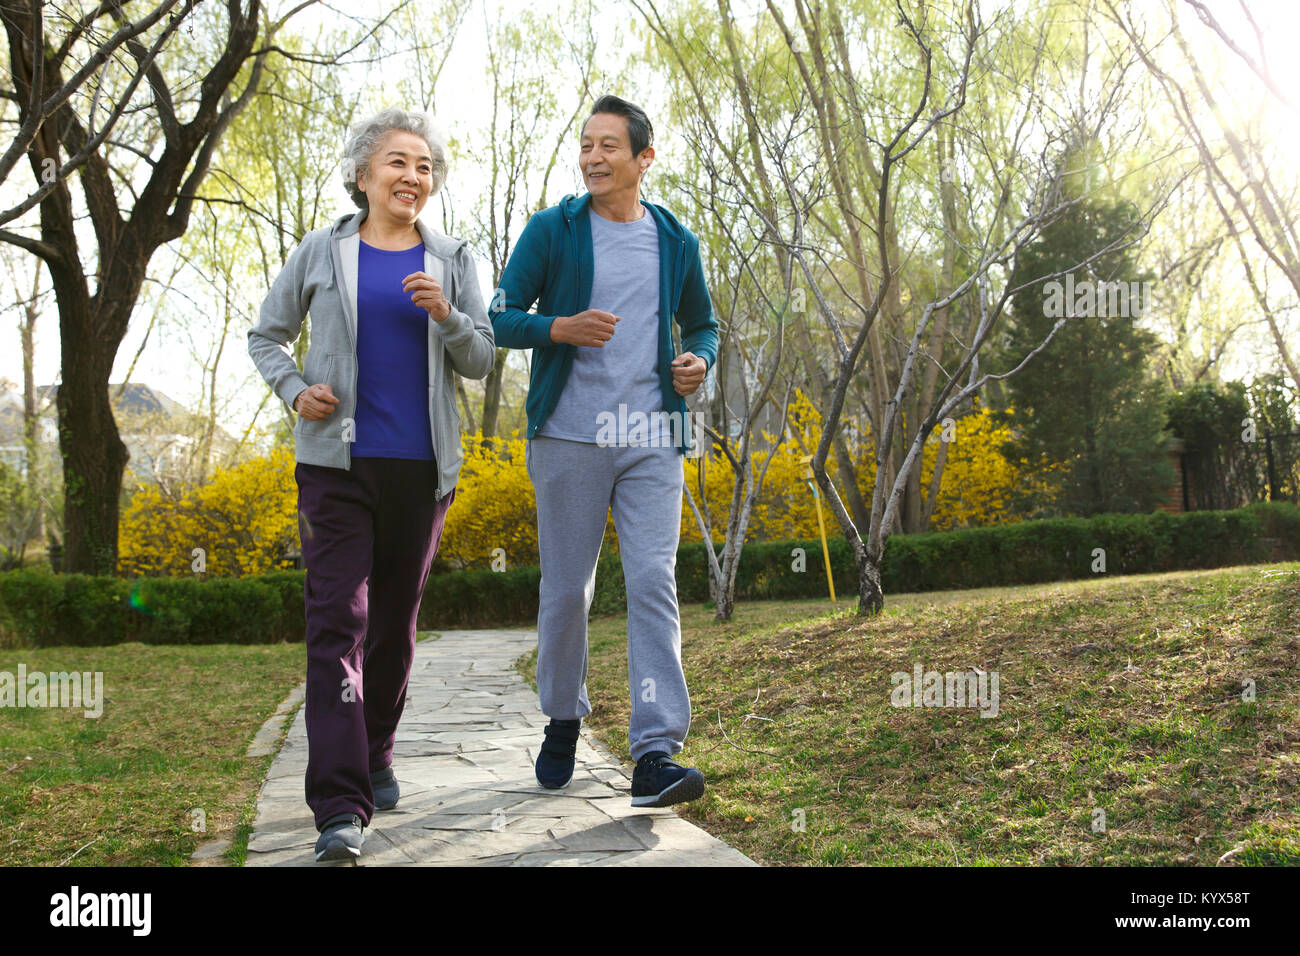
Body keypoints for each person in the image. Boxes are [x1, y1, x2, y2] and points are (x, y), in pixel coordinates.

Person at [247, 108, 494, 861]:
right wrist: (294, 390)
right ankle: (339, 806)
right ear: (363, 174)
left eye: (424, 166)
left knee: (392, 625)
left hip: (422, 473)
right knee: (336, 626)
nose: (412, 176)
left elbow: (481, 357)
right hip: (334, 468)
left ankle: (376, 747)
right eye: (397, 162)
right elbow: (266, 334)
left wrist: (448, 315)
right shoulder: (322, 252)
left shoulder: (453, 258)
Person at [492, 94, 718, 808]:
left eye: (608, 146)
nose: (593, 156)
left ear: (643, 158)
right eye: (586, 145)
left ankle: (655, 754)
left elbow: (703, 325)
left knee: (653, 581)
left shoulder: (675, 241)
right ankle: (563, 714)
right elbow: (499, 317)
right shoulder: (551, 230)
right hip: (569, 434)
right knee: (568, 591)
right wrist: (559, 329)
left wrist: (699, 364)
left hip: (653, 435)